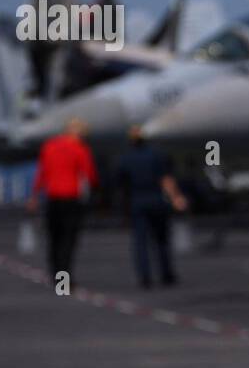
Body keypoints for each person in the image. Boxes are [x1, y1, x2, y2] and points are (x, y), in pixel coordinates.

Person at [113, 125, 188, 288]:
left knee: (140, 242)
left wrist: (123, 207)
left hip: (137, 201)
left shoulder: (125, 159)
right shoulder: (157, 156)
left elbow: (120, 185)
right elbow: (166, 179)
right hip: (157, 200)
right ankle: (166, 273)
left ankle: (144, 276)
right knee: (161, 240)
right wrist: (176, 197)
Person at [27, 117, 99, 283]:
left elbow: (41, 174)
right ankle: (63, 279)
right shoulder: (80, 149)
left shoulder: (49, 146)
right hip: (71, 200)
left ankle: (56, 273)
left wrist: (34, 196)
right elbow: (90, 175)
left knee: (54, 238)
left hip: (53, 199)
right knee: (68, 241)